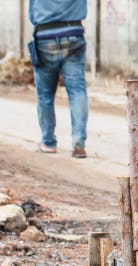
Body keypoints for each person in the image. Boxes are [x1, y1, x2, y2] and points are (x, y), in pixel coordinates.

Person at [28, 0, 89, 158]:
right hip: (73, 32)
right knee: (77, 91)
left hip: (45, 34)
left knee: (45, 95)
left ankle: (48, 142)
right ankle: (79, 144)